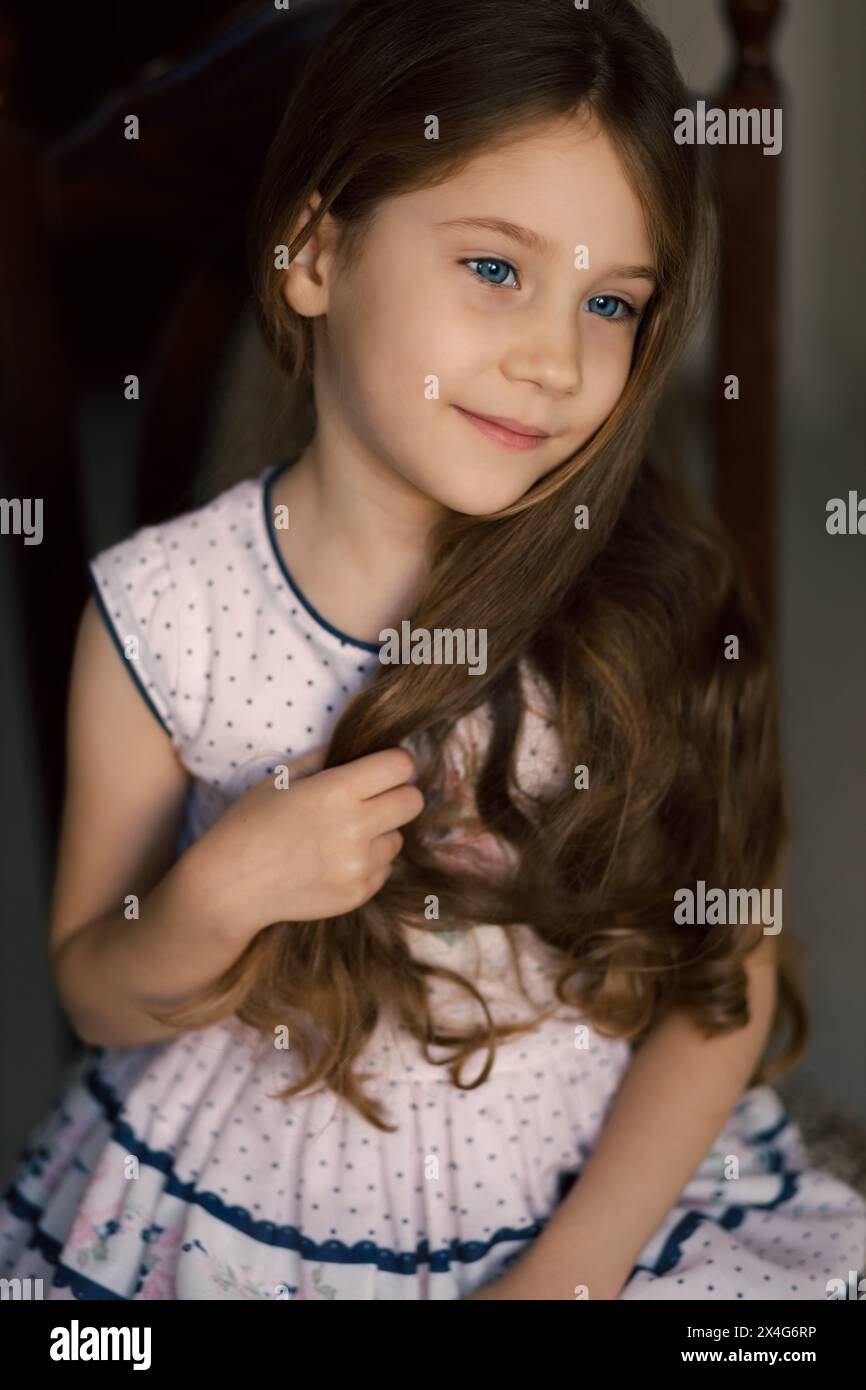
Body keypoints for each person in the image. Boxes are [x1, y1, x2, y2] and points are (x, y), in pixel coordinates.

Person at [2, 0, 864, 1301]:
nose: (552, 359)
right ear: (312, 251)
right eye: (495, 268)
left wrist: (570, 1273)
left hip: (600, 1190)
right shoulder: (162, 616)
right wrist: (215, 894)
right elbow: (97, 991)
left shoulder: (646, 599)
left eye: (612, 300)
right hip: (242, 1210)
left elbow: (720, 965)